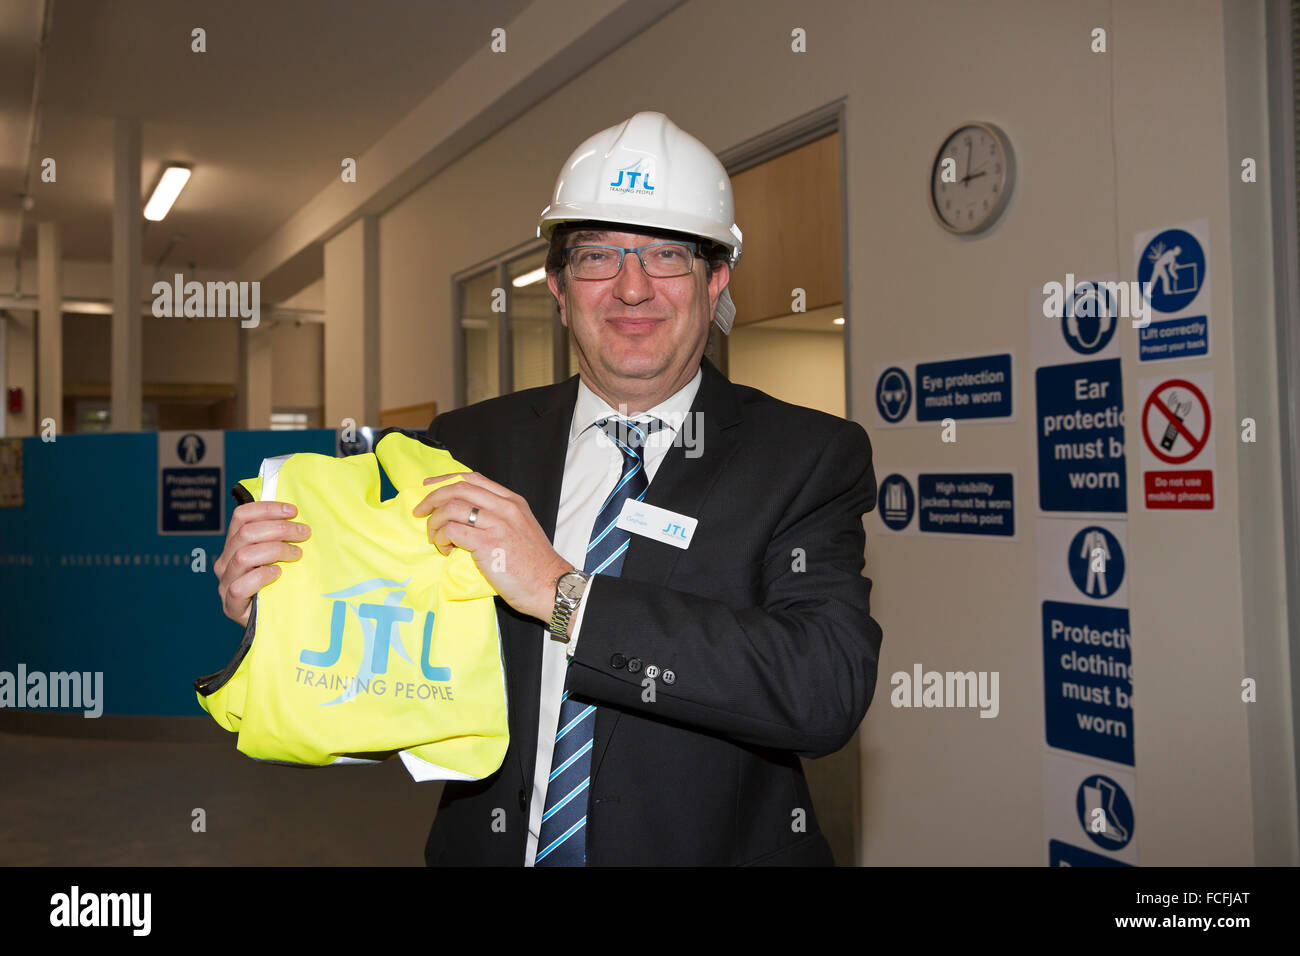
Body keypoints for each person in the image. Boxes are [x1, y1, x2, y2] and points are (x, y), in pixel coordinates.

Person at [214, 111, 883, 866]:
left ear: (716, 277)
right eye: (598, 258)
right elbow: (386, 668)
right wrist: (280, 608)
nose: (632, 289)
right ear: (560, 288)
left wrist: (565, 595)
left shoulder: (804, 457)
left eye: (666, 255)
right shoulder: (470, 446)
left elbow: (823, 688)